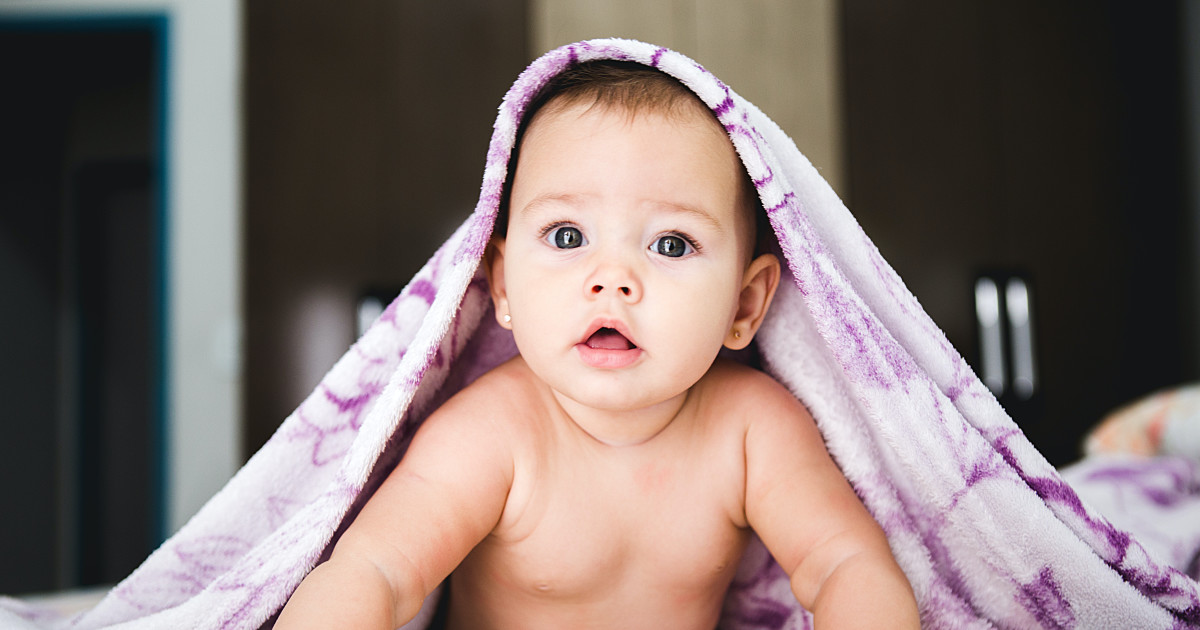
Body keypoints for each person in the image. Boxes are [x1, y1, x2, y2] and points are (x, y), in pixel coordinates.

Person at [276, 60, 920, 630]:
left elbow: (847, 566)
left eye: (670, 244)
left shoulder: (753, 431)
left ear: (744, 305)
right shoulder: (490, 434)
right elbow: (375, 573)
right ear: (503, 285)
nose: (612, 279)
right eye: (567, 236)